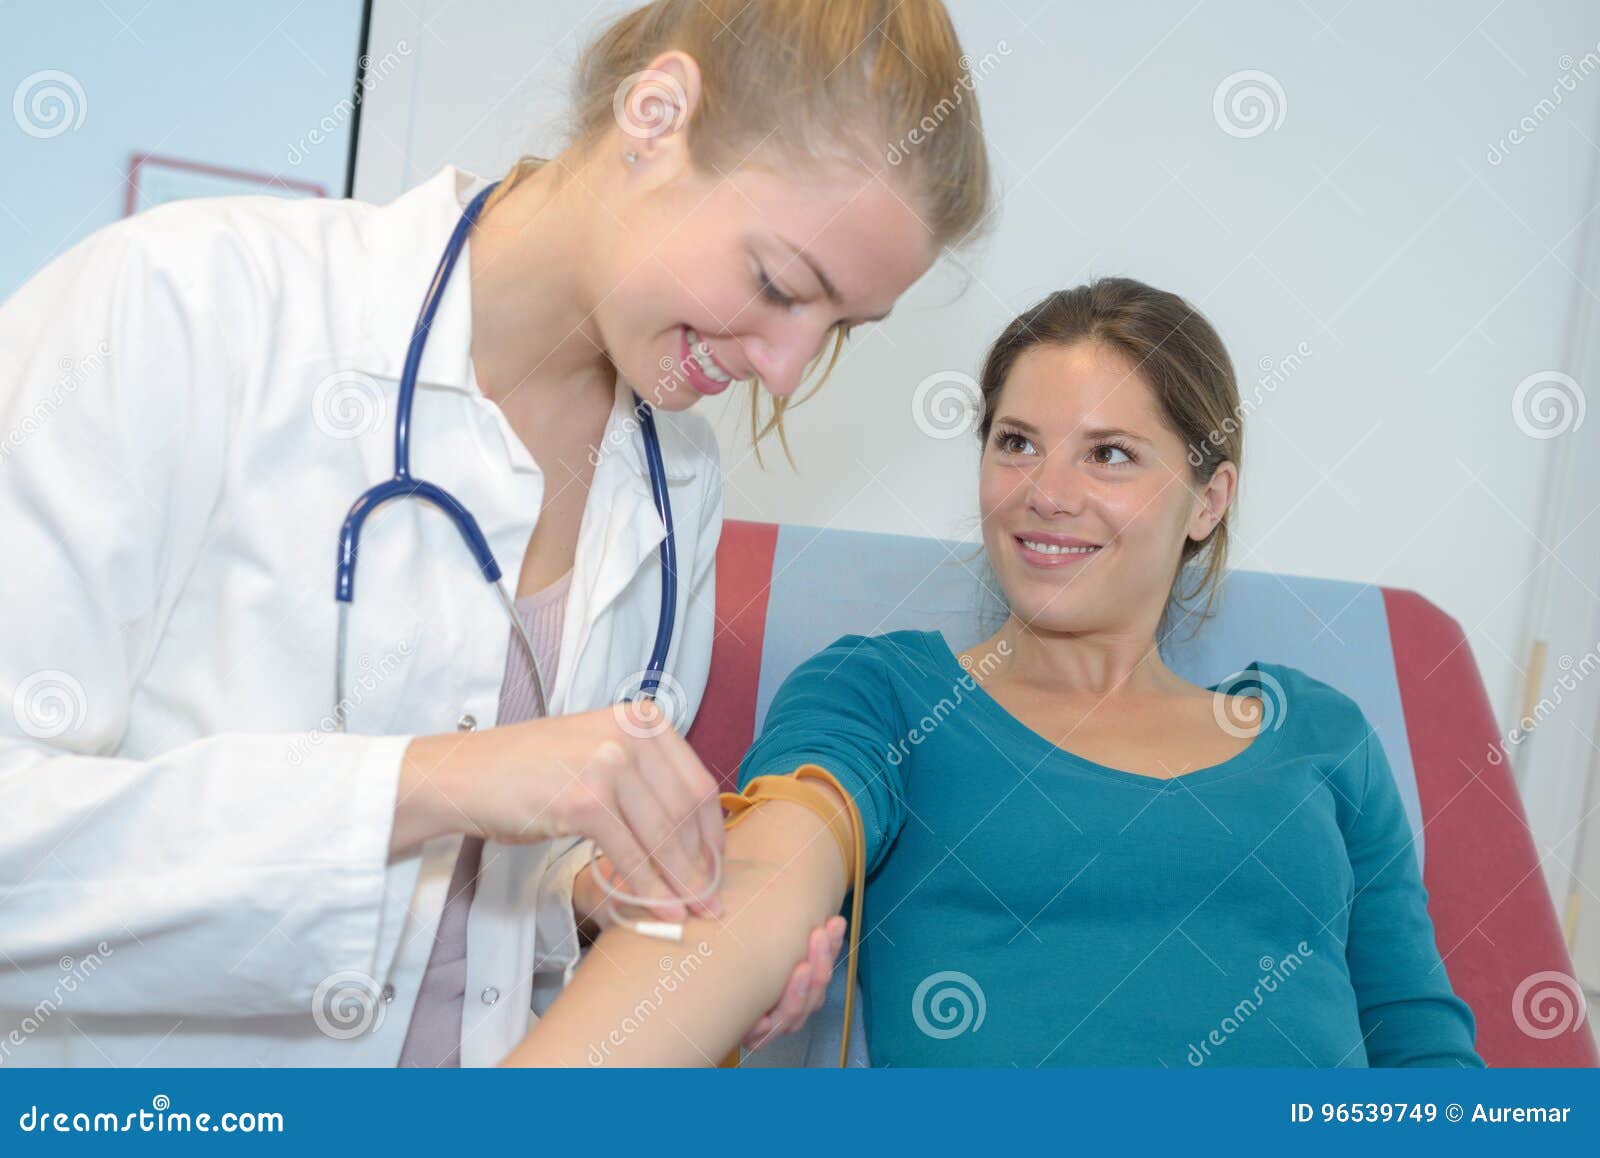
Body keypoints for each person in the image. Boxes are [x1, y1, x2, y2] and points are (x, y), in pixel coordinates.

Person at [0, 0, 992, 1065]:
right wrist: (437, 782)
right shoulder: (188, 308)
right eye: (779, 285)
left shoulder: (675, 478)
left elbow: (507, 885)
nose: (786, 369)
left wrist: (594, 901)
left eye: (837, 328)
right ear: (654, 115)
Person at [502, 277, 1486, 1068]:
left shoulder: (1318, 735)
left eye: (1109, 455)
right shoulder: (888, 696)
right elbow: (766, 870)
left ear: (1206, 499)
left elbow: (1416, 1038)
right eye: (1015, 444)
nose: (1047, 494)